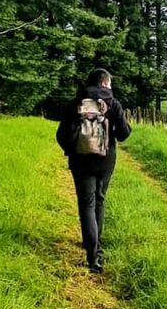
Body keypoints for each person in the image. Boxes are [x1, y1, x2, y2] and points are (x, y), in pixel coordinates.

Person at [55, 69, 131, 273]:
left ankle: (93, 254)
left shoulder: (76, 103)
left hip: (80, 161)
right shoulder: (113, 104)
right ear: (105, 84)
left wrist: (71, 149)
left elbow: (61, 134)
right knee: (99, 199)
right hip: (106, 160)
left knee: (86, 203)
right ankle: (97, 246)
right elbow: (124, 134)